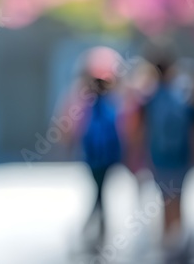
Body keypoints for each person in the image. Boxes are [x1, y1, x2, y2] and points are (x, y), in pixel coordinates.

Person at [141, 47, 194, 254]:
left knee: (164, 199)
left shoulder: (149, 97)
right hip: (181, 155)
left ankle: (167, 243)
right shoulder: (182, 94)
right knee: (179, 198)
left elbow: (141, 130)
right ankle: (178, 242)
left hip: (159, 156)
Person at [62, 46, 124, 247]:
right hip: (97, 156)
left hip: (100, 156)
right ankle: (96, 232)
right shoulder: (90, 101)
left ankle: (92, 231)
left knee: (99, 193)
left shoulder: (103, 101)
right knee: (99, 193)